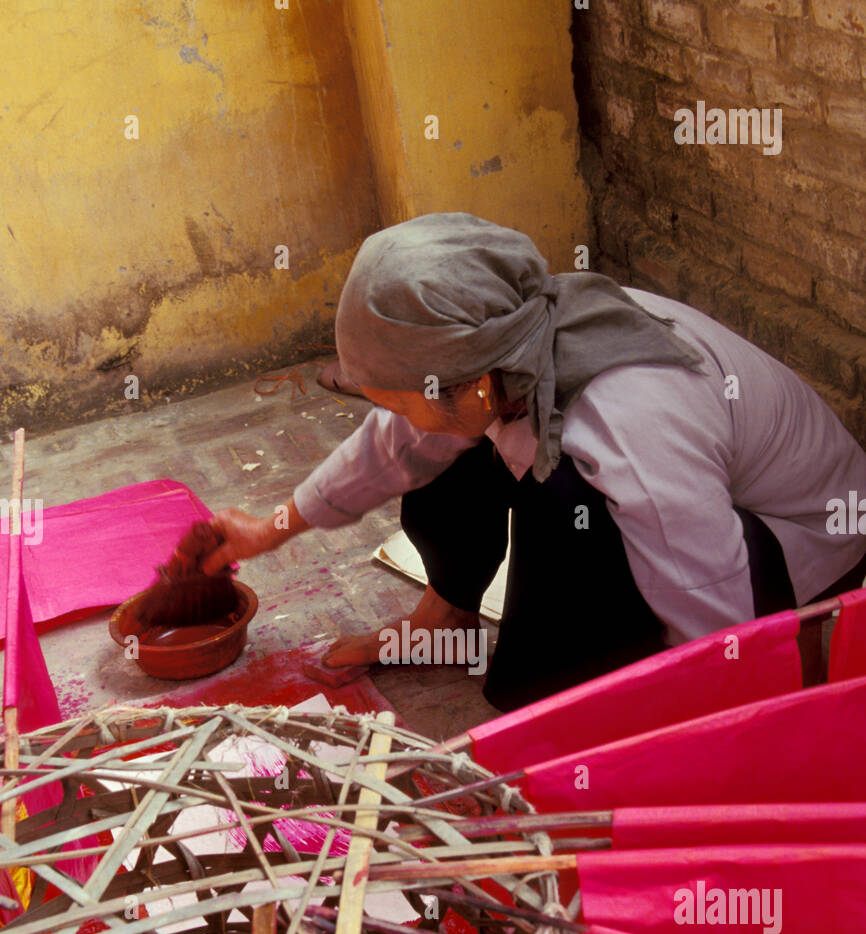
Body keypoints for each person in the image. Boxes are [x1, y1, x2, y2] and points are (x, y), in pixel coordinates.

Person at [203, 213, 866, 712]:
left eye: (400, 401)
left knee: (560, 516)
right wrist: (270, 528)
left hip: (791, 543)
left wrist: (717, 728)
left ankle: (572, 675)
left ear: (474, 384)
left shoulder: (626, 421)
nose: (393, 419)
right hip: (696, 520)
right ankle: (444, 618)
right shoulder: (507, 340)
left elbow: (713, 607)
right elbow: (390, 448)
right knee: (443, 455)